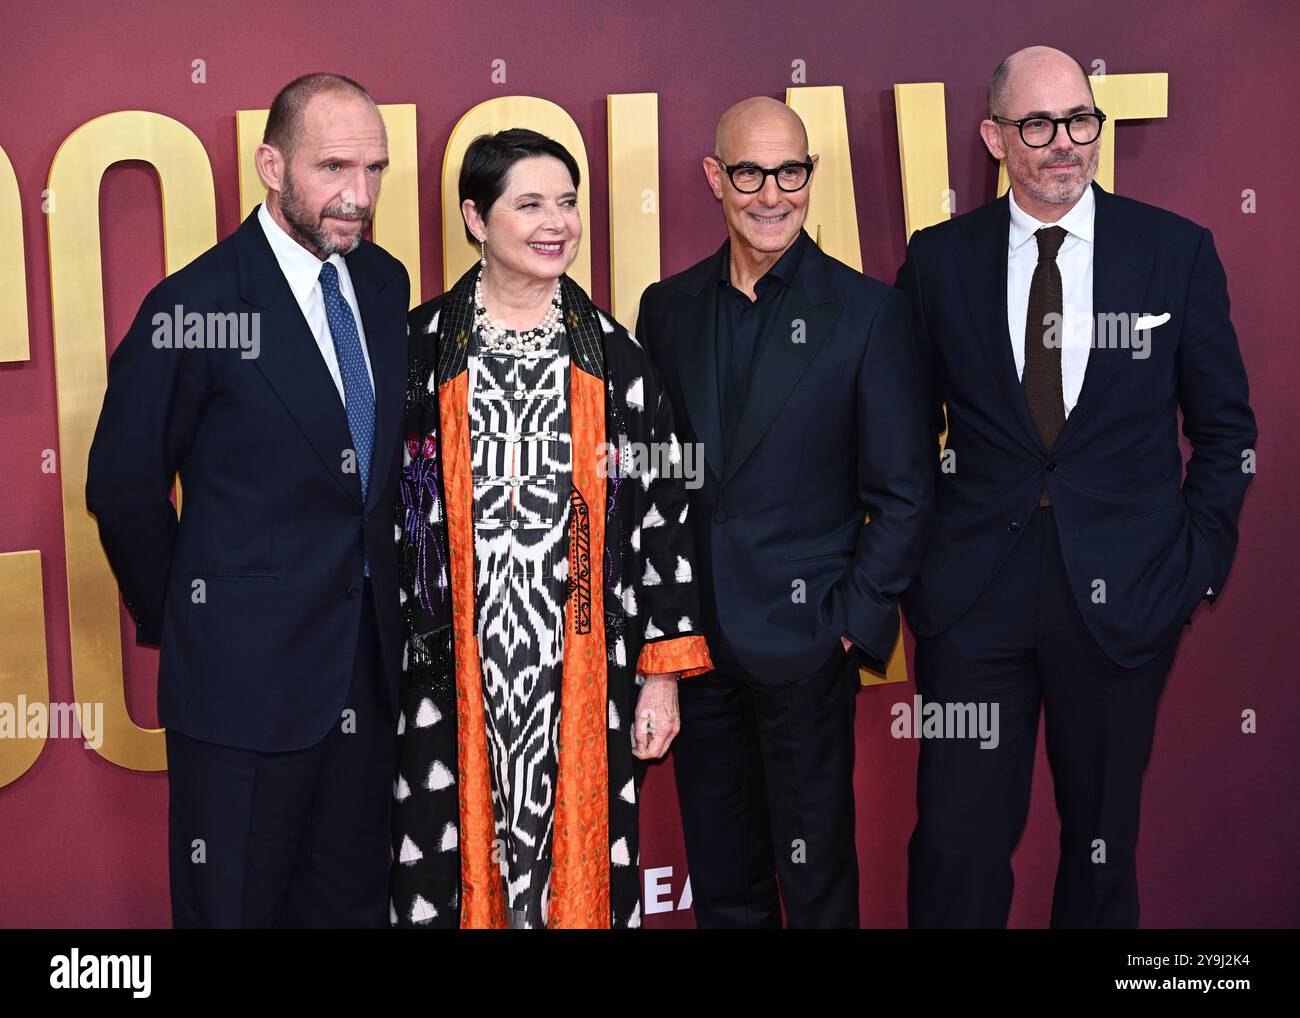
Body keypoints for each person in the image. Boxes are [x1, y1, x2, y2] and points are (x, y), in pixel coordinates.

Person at [896, 46, 1257, 927]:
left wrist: (1194, 569)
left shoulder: (1173, 252)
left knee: (1101, 849)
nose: (1065, 143)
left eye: (1081, 121)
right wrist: (918, 568)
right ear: (993, 136)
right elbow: (900, 440)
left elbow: (1225, 434)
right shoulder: (939, 261)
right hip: (974, 599)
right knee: (954, 847)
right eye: (1038, 125)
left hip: (1125, 597)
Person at [86, 73, 409, 927]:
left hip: (366, 687)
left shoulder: (380, 283)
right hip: (240, 699)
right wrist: (191, 621)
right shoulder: (194, 306)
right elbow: (122, 488)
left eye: (375, 169)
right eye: (334, 167)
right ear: (271, 165)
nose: (359, 195)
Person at [390, 128, 712, 929]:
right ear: (475, 217)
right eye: (528, 202)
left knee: (578, 878)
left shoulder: (619, 359)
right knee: (449, 870)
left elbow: (665, 525)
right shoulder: (416, 352)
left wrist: (662, 677)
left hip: (582, 665)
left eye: (567, 202)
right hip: (447, 670)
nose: (556, 222)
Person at [636, 97, 933, 927]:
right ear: (714, 178)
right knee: (725, 887)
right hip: (699, 654)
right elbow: (658, 484)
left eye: (791, 172)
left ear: (811, 176)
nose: (772, 194)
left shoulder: (868, 314)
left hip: (805, 649)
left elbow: (906, 492)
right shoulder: (669, 308)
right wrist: (665, 634)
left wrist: (845, 625)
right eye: (750, 173)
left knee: (816, 885)